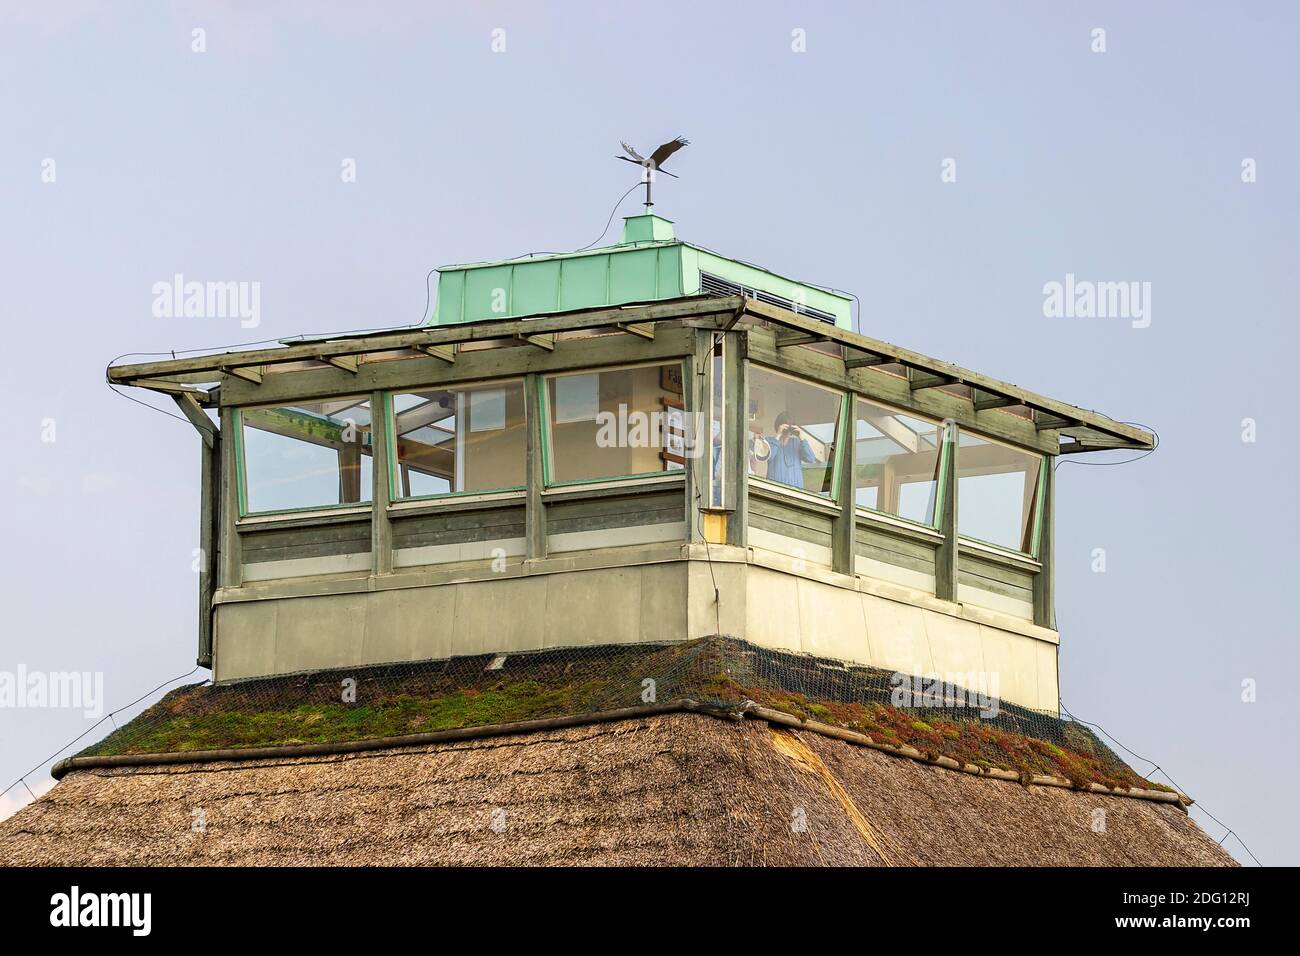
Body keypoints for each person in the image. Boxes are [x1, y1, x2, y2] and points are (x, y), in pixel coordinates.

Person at [754, 411, 819, 490]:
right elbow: (769, 457)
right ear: (778, 426)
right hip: (774, 489)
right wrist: (778, 435)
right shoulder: (769, 441)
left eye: (789, 426)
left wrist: (801, 436)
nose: (787, 429)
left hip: (795, 490)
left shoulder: (797, 443)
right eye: (784, 426)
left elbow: (811, 459)